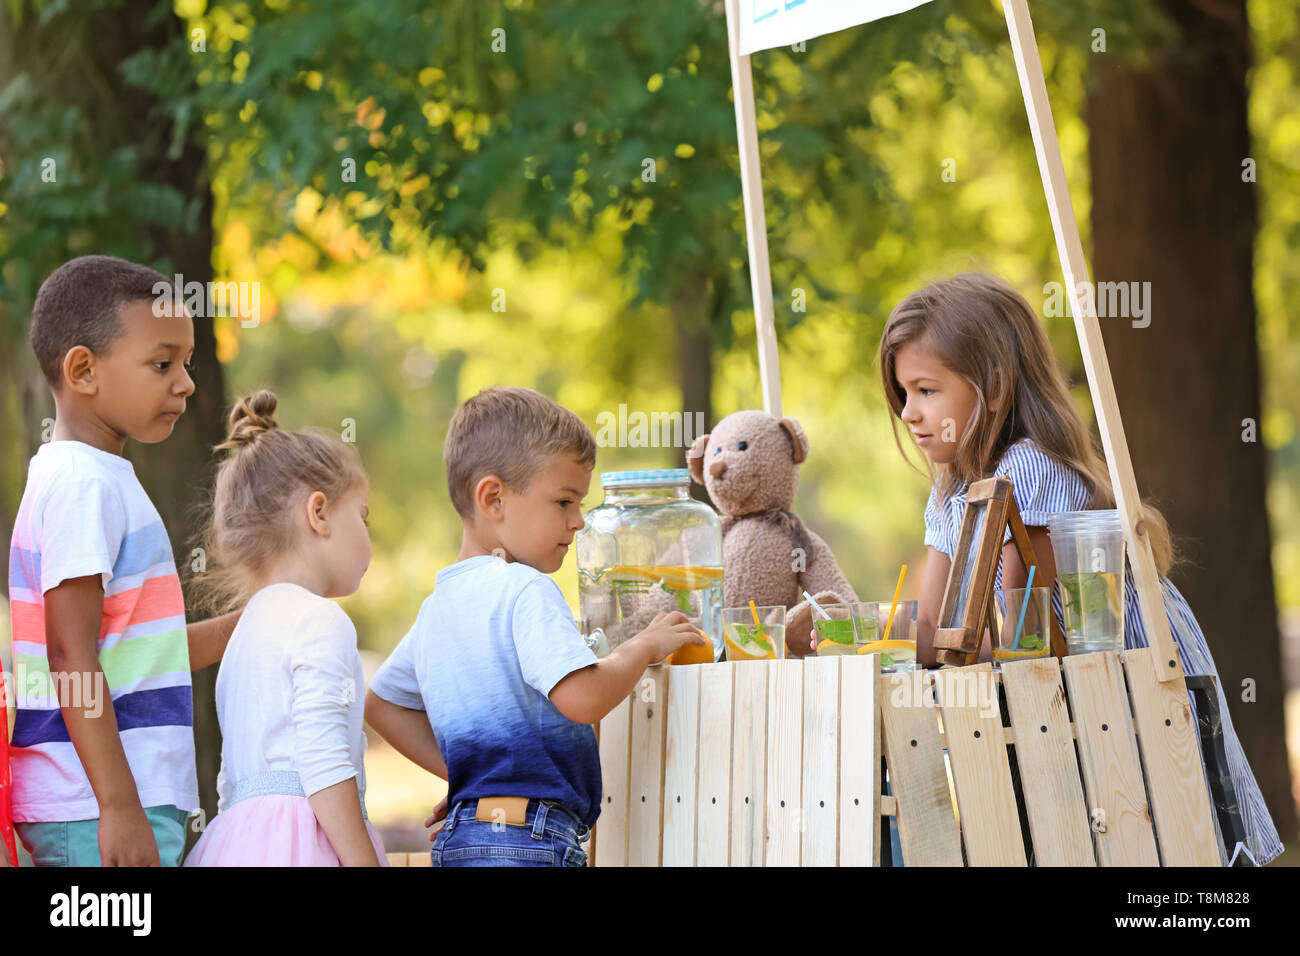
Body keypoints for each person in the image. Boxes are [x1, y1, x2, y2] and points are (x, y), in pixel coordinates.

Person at [866, 271, 1282, 866]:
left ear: (994, 387)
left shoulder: (1026, 469)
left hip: (1130, 676)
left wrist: (919, 640)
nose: (909, 413)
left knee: (1168, 832)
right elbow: (933, 627)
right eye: (903, 394)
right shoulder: (952, 488)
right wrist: (853, 628)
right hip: (1075, 694)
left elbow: (1018, 635)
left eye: (926, 390)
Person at [365, 386, 705, 866]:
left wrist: (477, 781)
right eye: (565, 502)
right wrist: (643, 646)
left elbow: (381, 705)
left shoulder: (436, 608)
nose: (580, 522)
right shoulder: (525, 588)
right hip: (529, 842)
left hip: (464, 837)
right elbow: (583, 698)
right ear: (493, 499)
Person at [9, 255, 241, 867]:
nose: (187, 382)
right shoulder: (83, 485)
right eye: (162, 363)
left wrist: (250, 622)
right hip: (94, 808)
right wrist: (118, 805)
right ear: (83, 370)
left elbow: (138, 653)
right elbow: (71, 655)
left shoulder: (99, 479)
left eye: (187, 364)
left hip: (116, 802)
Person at [184, 390, 386, 866]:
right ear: (319, 513)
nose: (368, 535)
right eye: (363, 515)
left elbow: (228, 780)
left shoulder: (242, 636)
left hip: (234, 842)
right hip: (304, 844)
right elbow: (324, 764)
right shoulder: (320, 620)